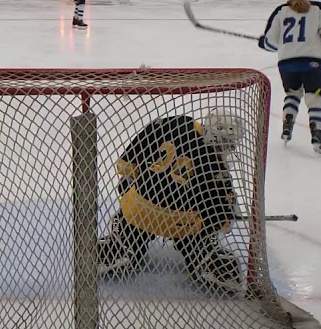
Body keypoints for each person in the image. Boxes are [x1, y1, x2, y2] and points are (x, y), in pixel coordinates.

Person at [96, 111, 243, 292]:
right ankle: (204, 255)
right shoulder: (217, 168)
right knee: (209, 219)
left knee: (130, 188)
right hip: (181, 224)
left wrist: (132, 182)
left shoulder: (176, 122)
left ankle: (123, 243)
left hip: (138, 211)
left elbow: (128, 162)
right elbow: (217, 216)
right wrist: (228, 214)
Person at [259, 0, 321, 155]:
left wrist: (262, 42)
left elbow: (271, 44)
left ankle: (287, 126)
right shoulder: (319, 9)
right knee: (314, 98)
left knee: (293, 93)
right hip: (312, 63)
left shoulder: (280, 11)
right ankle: (317, 136)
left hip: (287, 64)